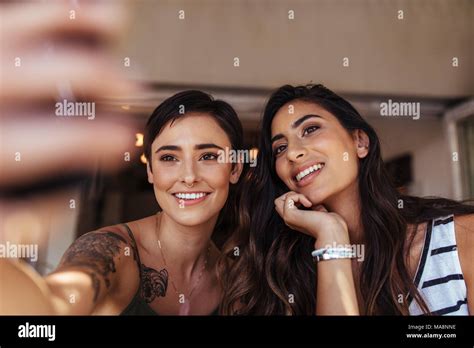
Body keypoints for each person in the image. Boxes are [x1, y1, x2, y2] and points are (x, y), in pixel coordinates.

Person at [221, 84, 474, 315]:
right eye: (280, 148)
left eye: (310, 129)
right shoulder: (273, 273)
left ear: (360, 142)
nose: (294, 153)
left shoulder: (462, 238)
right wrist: (331, 235)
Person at [2, 90, 245, 315]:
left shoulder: (236, 277)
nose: (189, 176)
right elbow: (57, 302)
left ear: (234, 168)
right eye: (169, 158)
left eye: (208, 156)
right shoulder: (111, 251)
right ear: (150, 170)